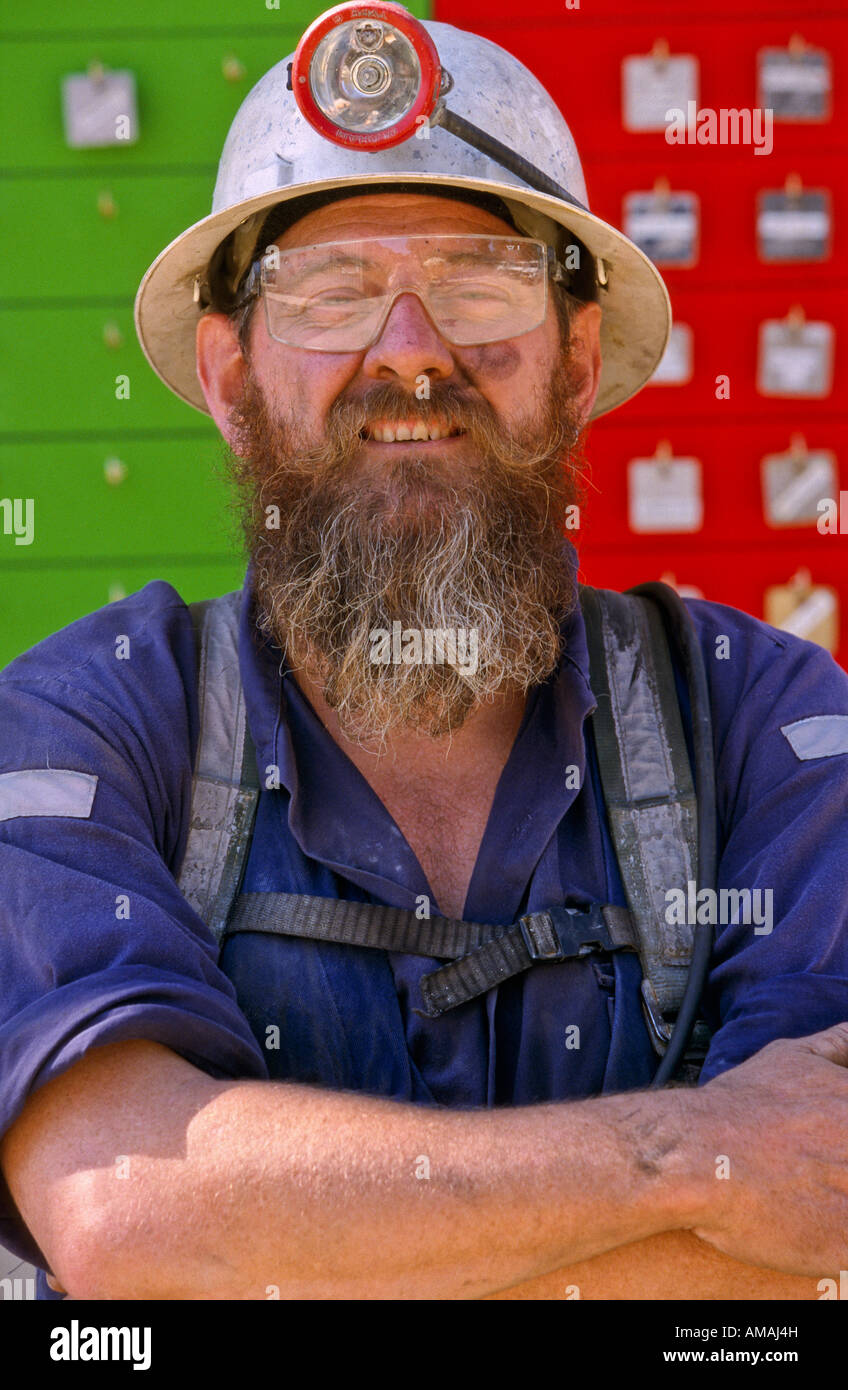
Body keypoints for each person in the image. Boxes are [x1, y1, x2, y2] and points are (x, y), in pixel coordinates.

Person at [1, 11, 847, 1302]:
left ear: (571, 363)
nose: (409, 351)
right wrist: (690, 1157)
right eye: (333, 292)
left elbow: (821, 1204)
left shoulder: (770, 726)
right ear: (231, 381)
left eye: (477, 282)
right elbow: (127, 1211)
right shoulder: (82, 727)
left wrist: (287, 1227)